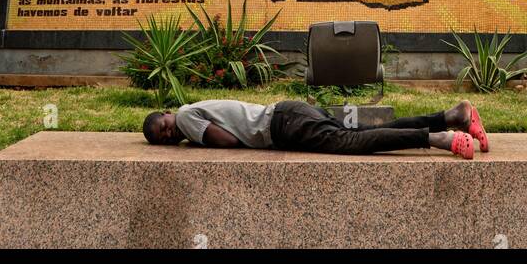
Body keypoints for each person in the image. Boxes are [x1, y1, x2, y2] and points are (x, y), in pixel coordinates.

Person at [143, 97, 488, 160]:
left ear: (169, 114)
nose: (169, 134)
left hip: (283, 125)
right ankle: (452, 116)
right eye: (164, 138)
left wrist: (191, 141)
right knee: (364, 132)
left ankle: (439, 139)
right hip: (289, 113)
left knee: (353, 143)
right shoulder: (192, 113)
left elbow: (229, 142)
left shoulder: (188, 118)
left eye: (164, 126)